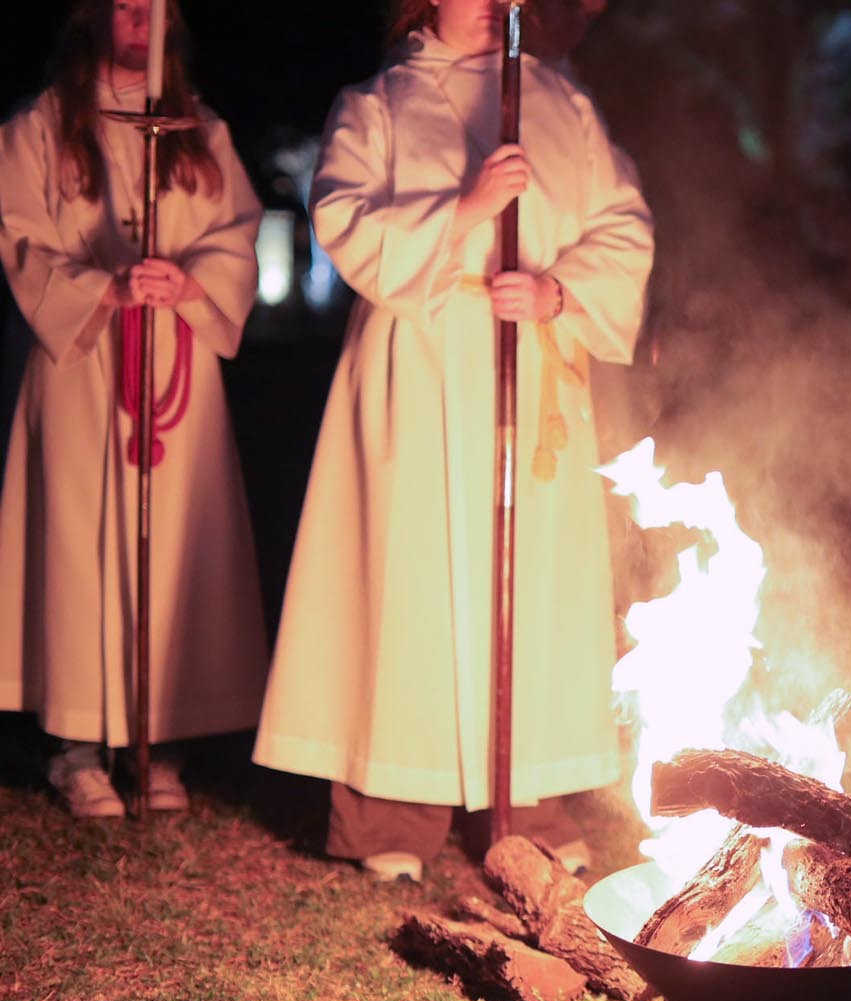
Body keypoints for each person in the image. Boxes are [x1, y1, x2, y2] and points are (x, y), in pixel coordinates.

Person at [251, 0, 655, 882]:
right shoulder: (378, 103)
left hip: (534, 362)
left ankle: (528, 795)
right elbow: (342, 217)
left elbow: (622, 225)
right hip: (422, 362)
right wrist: (467, 209)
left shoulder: (562, 102)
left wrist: (555, 291)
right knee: (413, 582)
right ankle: (394, 803)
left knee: (532, 586)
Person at [0, 0, 267, 817]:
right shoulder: (40, 128)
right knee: (79, 543)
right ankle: (78, 745)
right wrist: (106, 287)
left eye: (152, 8)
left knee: (173, 543)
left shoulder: (200, 132)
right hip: (83, 367)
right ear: (93, 17)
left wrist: (188, 281)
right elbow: (21, 237)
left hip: (176, 360)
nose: (139, 22)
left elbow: (236, 234)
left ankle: (161, 739)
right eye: (123, 6)